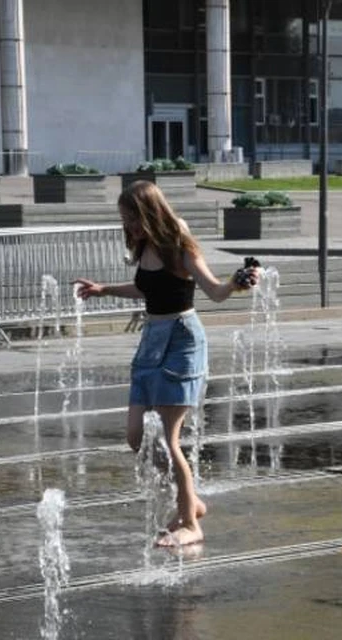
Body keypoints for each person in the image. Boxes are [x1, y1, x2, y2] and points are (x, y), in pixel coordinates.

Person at [73, 180, 260, 547]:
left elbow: (214, 291)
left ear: (149, 213)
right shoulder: (144, 245)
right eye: (124, 219)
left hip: (181, 342)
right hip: (151, 342)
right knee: (136, 437)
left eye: (132, 218)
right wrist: (104, 289)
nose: (128, 226)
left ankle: (190, 522)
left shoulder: (178, 243)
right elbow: (148, 289)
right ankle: (191, 502)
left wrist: (236, 283)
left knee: (166, 440)